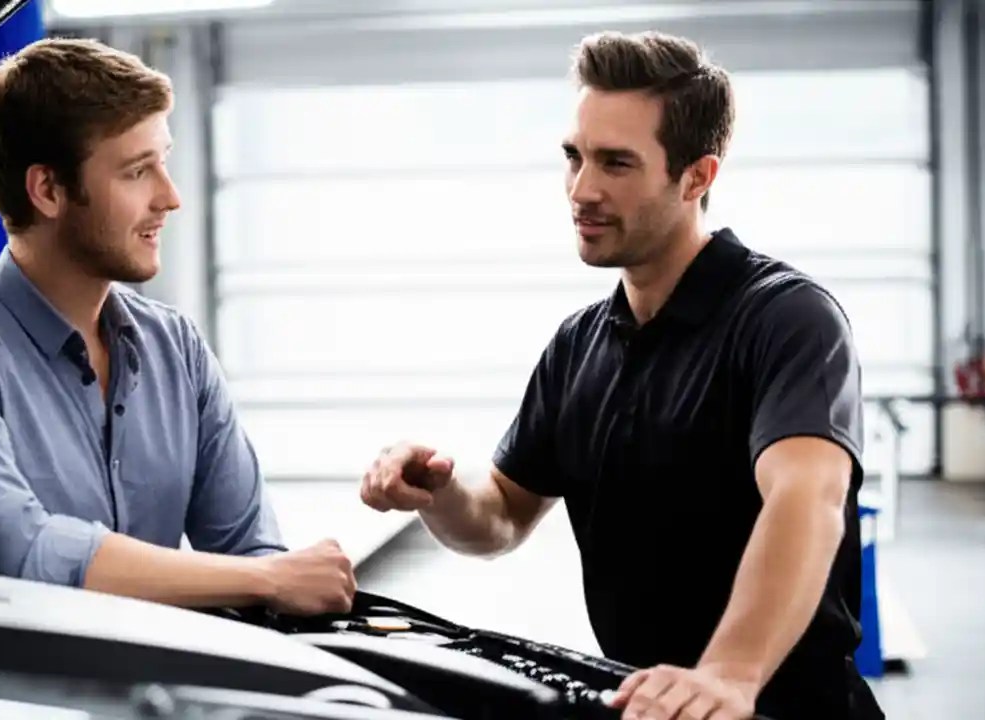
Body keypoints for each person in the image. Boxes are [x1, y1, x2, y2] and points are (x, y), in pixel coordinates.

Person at [359, 30, 885, 720]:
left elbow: (806, 499)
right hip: (647, 705)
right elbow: (501, 518)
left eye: (616, 164)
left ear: (698, 176)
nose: (582, 190)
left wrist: (729, 673)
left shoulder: (788, 320)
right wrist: (441, 489)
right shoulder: (580, 345)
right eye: (574, 157)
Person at [0, 38, 354, 617]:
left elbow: (248, 551)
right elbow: (16, 550)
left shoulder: (175, 349)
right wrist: (268, 578)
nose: (171, 197)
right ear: (49, 191)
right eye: (137, 171)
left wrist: (269, 578)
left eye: (165, 161)